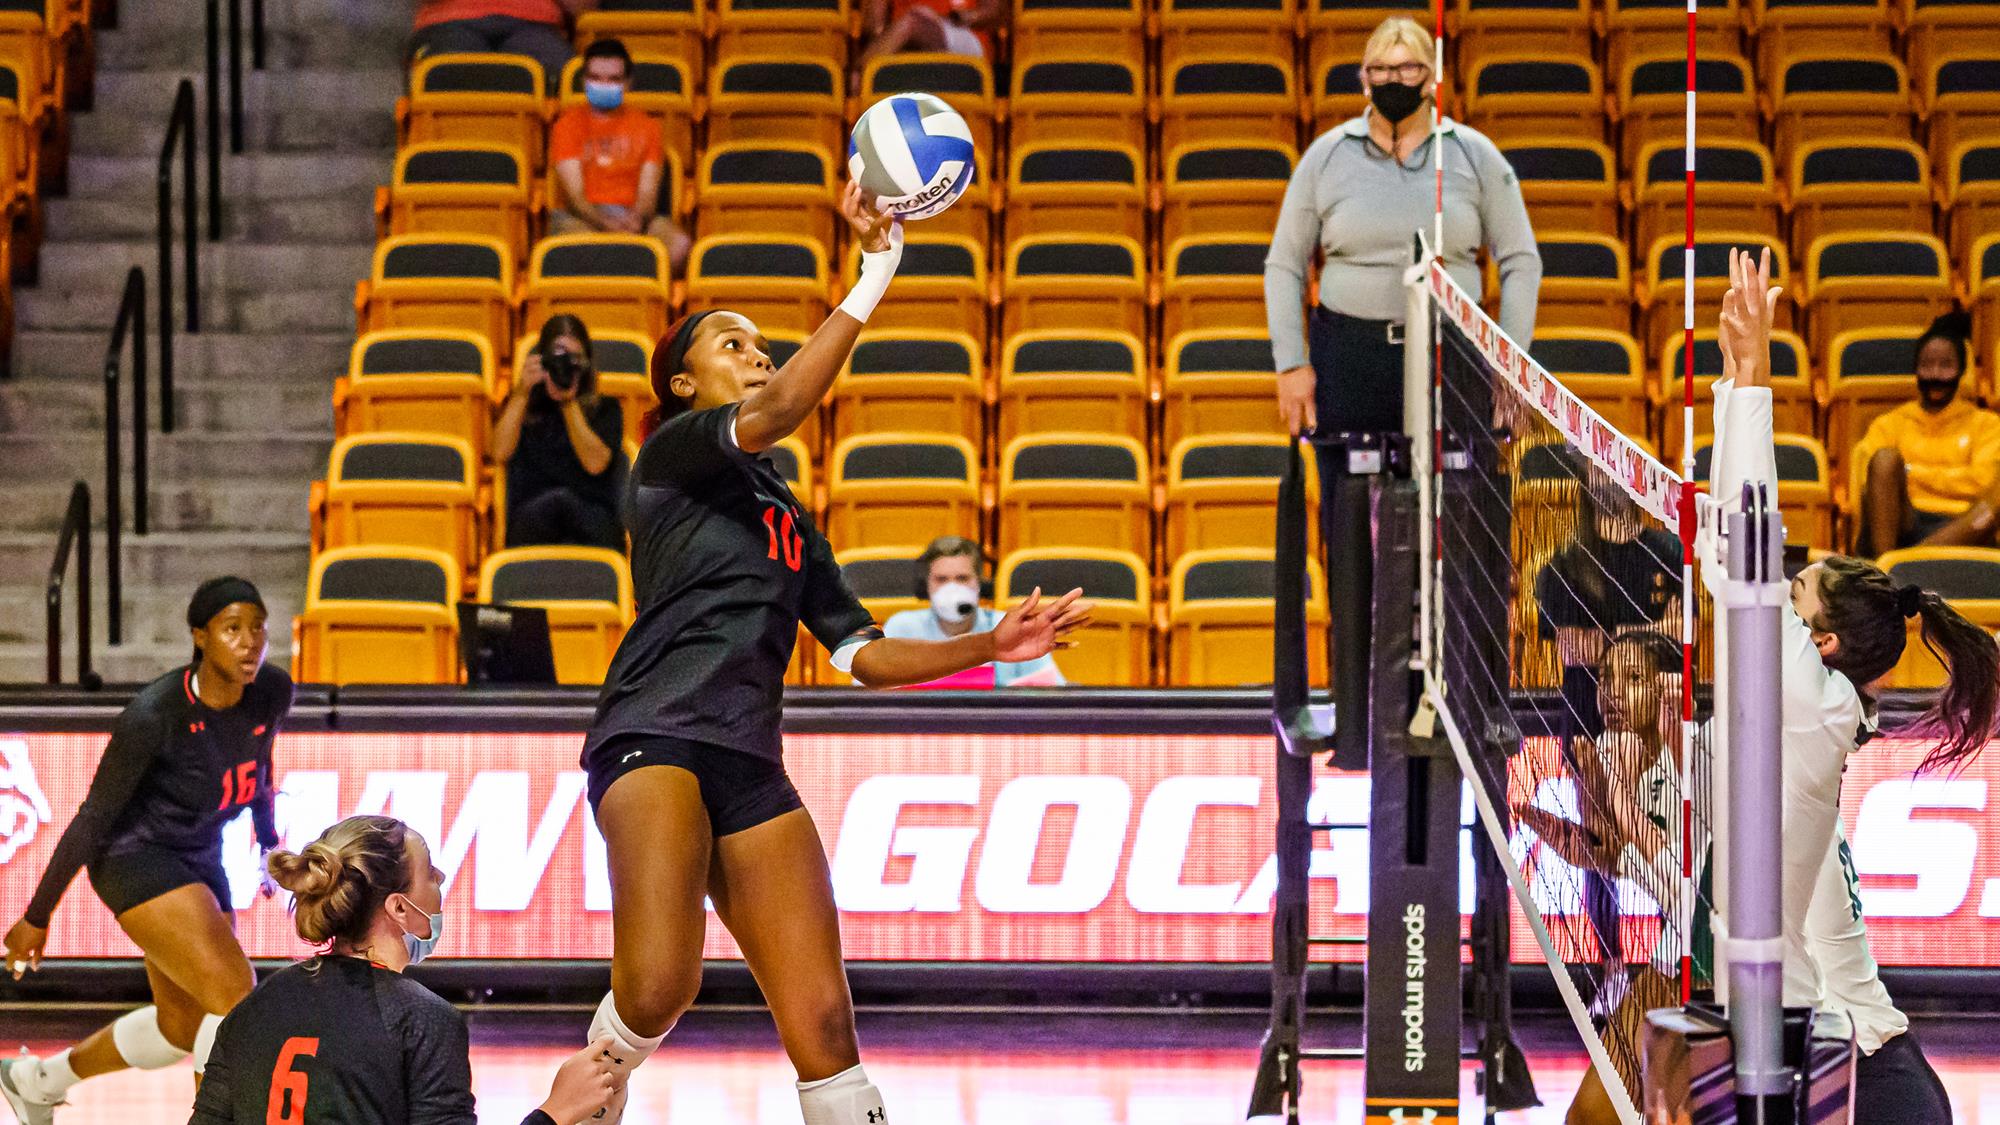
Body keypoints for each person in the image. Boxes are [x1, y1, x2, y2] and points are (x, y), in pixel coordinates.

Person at [576, 182, 1090, 1125]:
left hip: (747, 754)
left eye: (759, 345)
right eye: (730, 343)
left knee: (822, 1018)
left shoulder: (787, 512)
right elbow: (775, 410)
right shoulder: (676, 448)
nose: (755, 354)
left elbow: (858, 650)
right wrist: (877, 270)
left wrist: (990, 642)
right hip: (653, 730)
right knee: (657, 986)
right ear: (682, 383)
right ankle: (570, 1110)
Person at [1707, 247, 1998, 1124]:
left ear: (1820, 640)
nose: (1783, 591)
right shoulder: (1793, 710)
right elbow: (1739, 559)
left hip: (1862, 1072)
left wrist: (1751, 382)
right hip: (1827, 1049)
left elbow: (1742, 562)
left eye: (1799, 596)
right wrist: (1734, 387)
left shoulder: (1805, 700)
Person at [2, 579, 291, 1125]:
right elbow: (93, 816)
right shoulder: (154, 714)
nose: (250, 642)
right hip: (133, 856)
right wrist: (37, 916)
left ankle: (35, 1081)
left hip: (199, 853)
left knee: (180, 1027)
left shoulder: (273, 690)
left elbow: (259, 769)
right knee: (233, 996)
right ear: (200, 637)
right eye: (233, 629)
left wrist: (269, 841)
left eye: (259, 629)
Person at [188, 815, 619, 1125]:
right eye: (430, 870)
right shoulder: (421, 1020)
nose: (442, 876)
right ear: (398, 907)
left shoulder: (253, 1009)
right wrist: (556, 1111)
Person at [1266, 15, 1540, 446]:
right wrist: (1291, 363)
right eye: (1381, 70)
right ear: (1364, 79)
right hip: (1351, 361)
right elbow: (1284, 265)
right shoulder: (1327, 156)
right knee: (1352, 506)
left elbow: (1521, 260)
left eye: (1408, 69)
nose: (1394, 80)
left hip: (1454, 359)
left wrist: (1511, 364)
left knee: (1459, 501)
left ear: (1432, 78)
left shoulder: (1475, 155)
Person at [1514, 631, 1703, 1125]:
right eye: (1605, 677)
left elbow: (1666, 856)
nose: (1613, 692)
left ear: (1668, 688)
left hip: (1718, 966)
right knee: (1590, 1117)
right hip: (1676, 957)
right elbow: (1618, 856)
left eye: (1633, 678)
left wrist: (1612, 787)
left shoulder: (1698, 754)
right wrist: (1568, 839)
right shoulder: (1621, 752)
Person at [1534, 456, 1684, 738]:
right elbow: (1572, 650)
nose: (1609, 473)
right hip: (1587, 725)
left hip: (1654, 727)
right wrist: (1652, 633)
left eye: (1616, 462)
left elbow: (1685, 635)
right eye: (1600, 465)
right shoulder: (1565, 565)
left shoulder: (1669, 552)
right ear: (1587, 481)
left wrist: (1605, 639)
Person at [1854, 309, 2000, 557]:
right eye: (1927, 365)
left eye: (1945, 366)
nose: (1935, 375)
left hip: (1964, 526)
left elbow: (1983, 481)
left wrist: (1911, 472)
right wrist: (1954, 478)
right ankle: (1891, 568)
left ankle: (1901, 567)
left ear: (1962, 370)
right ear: (1916, 370)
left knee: (1993, 503)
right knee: (1886, 459)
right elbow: (1870, 479)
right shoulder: (1889, 424)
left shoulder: (1987, 424)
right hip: (1903, 521)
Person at [549, 38, 692, 276]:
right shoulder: (566, 126)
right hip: (582, 219)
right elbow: (576, 197)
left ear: (627, 83)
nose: (603, 84)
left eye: (613, 79)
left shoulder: (648, 127)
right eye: (596, 78)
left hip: (634, 218)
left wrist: (635, 220)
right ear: (584, 80)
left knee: (679, 245)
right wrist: (606, 224)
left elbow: (648, 194)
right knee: (581, 250)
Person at [494, 314, 628, 554]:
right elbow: (499, 453)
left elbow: (595, 464)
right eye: (558, 357)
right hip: (532, 516)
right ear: (542, 360)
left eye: (573, 359)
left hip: (591, 516)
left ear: (586, 365)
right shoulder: (523, 407)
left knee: (565, 502)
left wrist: (569, 403)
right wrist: (522, 393)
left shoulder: (606, 408)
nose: (565, 367)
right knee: (553, 503)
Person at [880, 537, 1066, 687]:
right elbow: (867, 695)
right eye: (941, 579)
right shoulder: (900, 628)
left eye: (962, 578)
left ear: (979, 583)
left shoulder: (1012, 629)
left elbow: (1054, 694)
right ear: (926, 586)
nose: (952, 588)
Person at [409, 0, 592, 86]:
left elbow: (579, 5)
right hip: (450, 20)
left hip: (535, 23)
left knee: (569, 80)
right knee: (450, 74)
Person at [859, 0, 1004, 62]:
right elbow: (874, 29)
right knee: (914, 18)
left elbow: (995, 11)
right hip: (905, 35)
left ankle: (860, 74)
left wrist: (962, 16)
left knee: (913, 20)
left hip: (964, 31)